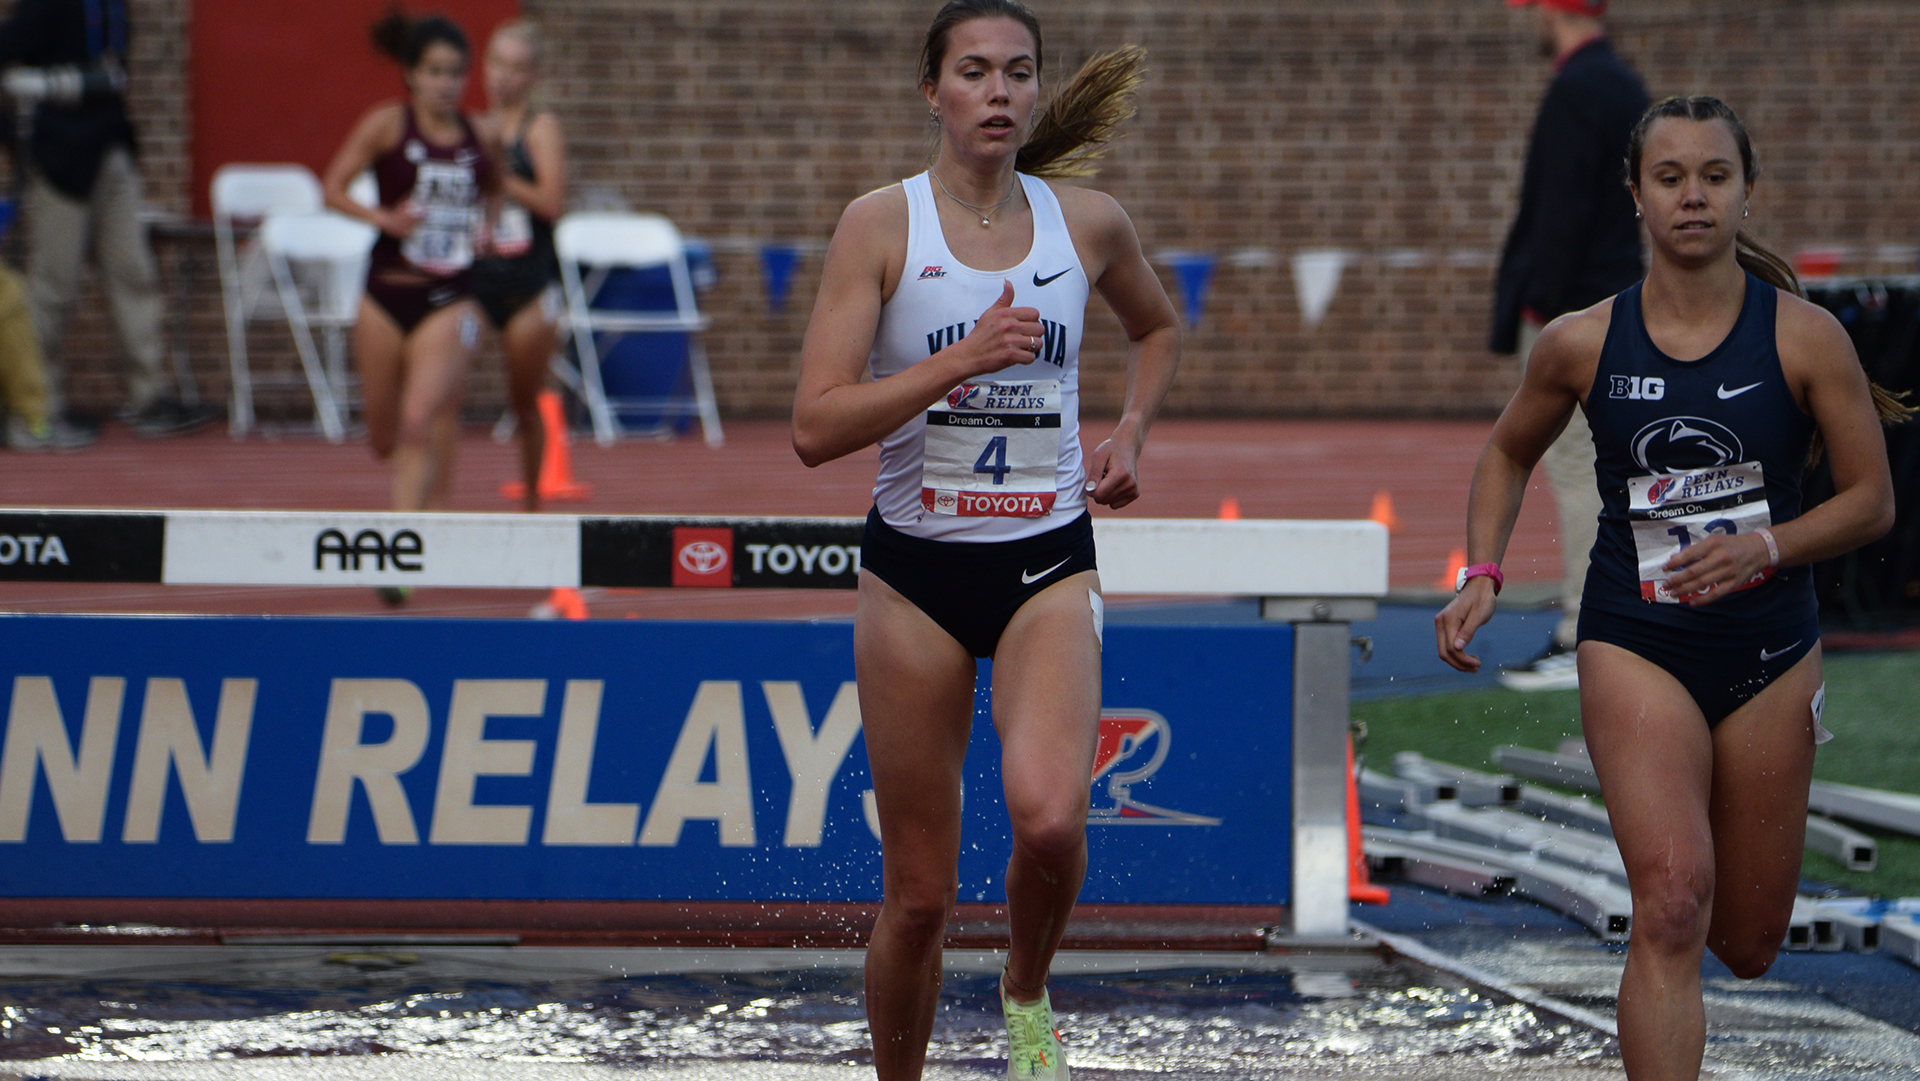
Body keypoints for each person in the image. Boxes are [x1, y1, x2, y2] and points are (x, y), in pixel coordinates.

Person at [1438, 96, 1905, 1081]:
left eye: (1714, 176)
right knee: (1672, 901)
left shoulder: (1807, 339)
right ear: (1637, 194)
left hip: (1771, 652)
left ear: (1746, 191)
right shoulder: (1580, 341)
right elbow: (1506, 452)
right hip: (1636, 638)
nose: (1693, 195)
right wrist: (1482, 568)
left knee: (1747, 939)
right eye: (1670, 177)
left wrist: (1768, 546)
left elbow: (1871, 503)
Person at [791, 2, 1178, 1077]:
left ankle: (1025, 987)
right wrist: (953, 364)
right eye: (975, 71)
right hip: (913, 576)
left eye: (1018, 71)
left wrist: (1132, 428)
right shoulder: (879, 227)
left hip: (1047, 561)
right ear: (934, 92)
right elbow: (814, 427)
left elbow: (1156, 325)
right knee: (917, 898)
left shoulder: (1086, 224)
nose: (1000, 90)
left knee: (1050, 822)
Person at [1489, 0, 1649, 691]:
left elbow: (1562, 209)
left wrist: (1541, 307)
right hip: (1615, 299)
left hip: (1577, 310)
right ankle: (1614, 620)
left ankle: (1585, 630)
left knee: (1580, 467)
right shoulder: (1622, 83)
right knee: (1610, 468)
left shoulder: (1578, 88)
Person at [0, 0, 215, 437]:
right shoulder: (48, 7)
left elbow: (116, 69)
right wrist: (43, 86)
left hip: (111, 147)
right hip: (60, 155)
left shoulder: (116, 5)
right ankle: (40, 408)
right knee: (52, 283)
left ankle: (149, 397)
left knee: (133, 273)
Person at [322, 10, 495, 530]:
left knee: (418, 418)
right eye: (436, 72)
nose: (447, 84)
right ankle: (420, 498)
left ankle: (403, 551)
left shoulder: (479, 134)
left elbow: (499, 189)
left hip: (450, 294)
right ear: (412, 75)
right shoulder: (387, 124)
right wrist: (383, 218)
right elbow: (331, 187)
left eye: (456, 72)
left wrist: (485, 228)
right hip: (384, 293)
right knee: (383, 436)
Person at [471, 19, 564, 510]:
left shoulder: (539, 128)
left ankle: (532, 506)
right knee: (436, 393)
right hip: (474, 285)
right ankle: (426, 509)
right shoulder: (469, 127)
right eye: (496, 64)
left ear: (531, 76)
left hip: (529, 285)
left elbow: (551, 201)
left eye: (516, 67)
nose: (503, 76)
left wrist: (499, 176)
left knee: (524, 403)